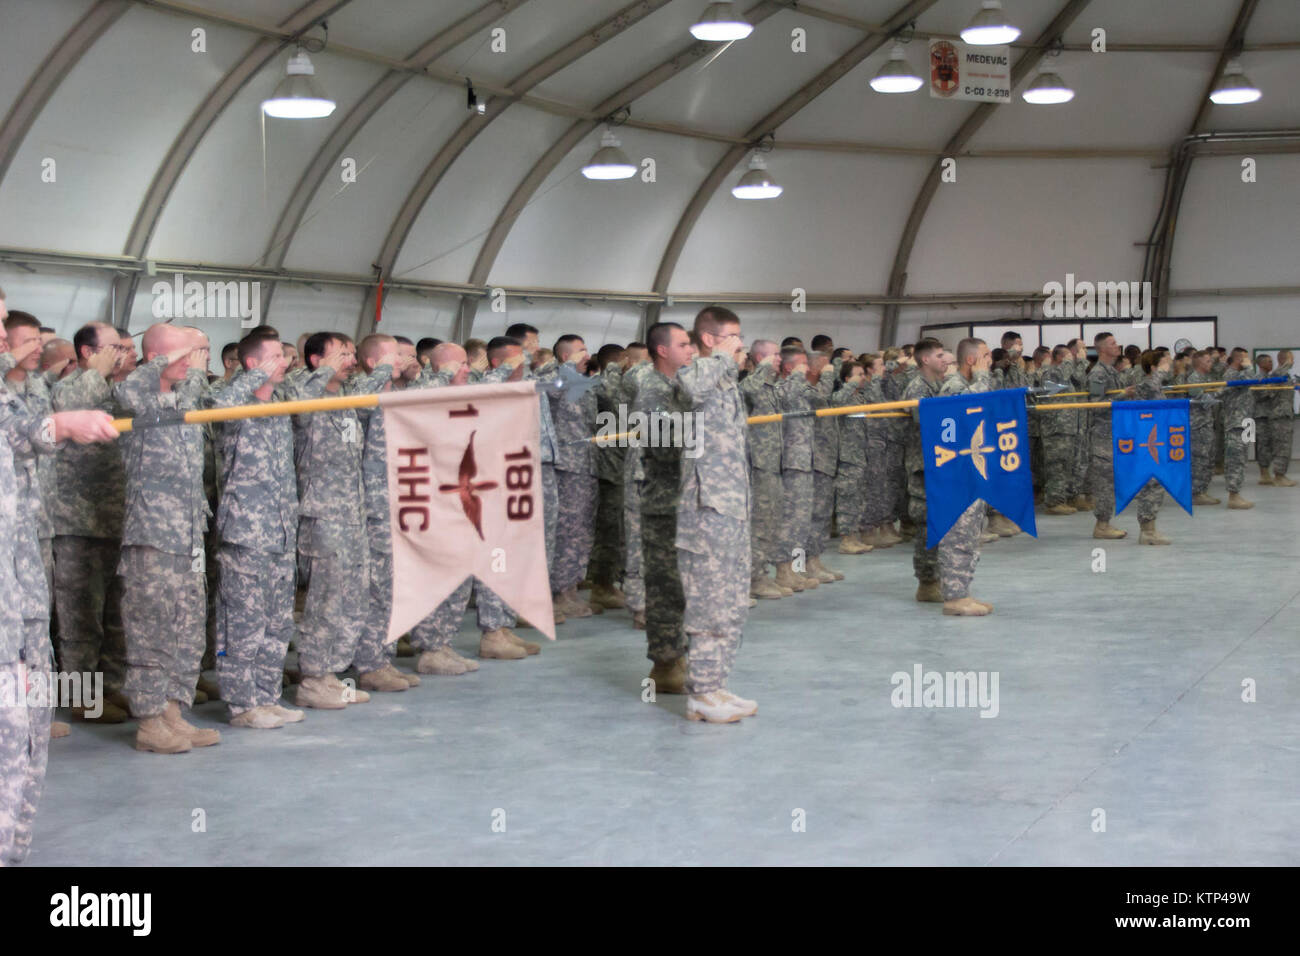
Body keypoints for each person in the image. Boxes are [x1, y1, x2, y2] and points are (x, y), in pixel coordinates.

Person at [0, 392, 118, 864]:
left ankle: (13, 848)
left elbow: (15, 429)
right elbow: (20, 431)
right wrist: (62, 425)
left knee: (27, 738)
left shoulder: (9, 396)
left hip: (20, 600)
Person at [115, 325, 218, 753]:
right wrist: (163, 358)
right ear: (156, 355)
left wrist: (189, 355)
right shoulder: (136, 395)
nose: (192, 362)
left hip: (190, 534)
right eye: (182, 354)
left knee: (187, 629)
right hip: (153, 536)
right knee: (150, 629)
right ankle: (149, 720)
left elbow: (207, 386)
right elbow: (131, 386)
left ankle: (173, 711)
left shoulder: (184, 396)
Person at [210, 333, 308, 728]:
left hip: (281, 532)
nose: (285, 362)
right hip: (246, 533)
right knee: (242, 622)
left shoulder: (279, 405)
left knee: (277, 622)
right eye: (275, 356)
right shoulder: (235, 403)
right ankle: (242, 704)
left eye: (284, 356)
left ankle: (267, 696)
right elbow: (219, 406)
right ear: (252, 364)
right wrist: (252, 378)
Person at [49, 324, 134, 724]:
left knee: (116, 615)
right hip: (77, 522)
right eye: (115, 348)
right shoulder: (70, 387)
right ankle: (81, 697)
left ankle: (111, 686)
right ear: (87, 352)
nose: (123, 355)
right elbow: (71, 409)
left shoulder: (120, 391)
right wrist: (97, 373)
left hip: (117, 519)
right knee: (80, 616)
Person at [676, 308, 756, 722]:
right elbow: (691, 389)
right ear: (710, 339)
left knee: (732, 600)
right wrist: (723, 356)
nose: (740, 343)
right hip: (705, 509)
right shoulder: (693, 372)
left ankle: (718, 684)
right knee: (708, 601)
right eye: (732, 336)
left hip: (732, 508)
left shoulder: (726, 382)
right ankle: (701, 693)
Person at [292, 332, 373, 709]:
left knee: (350, 598)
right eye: (342, 354)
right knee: (324, 600)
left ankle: (330, 673)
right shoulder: (305, 396)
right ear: (315, 361)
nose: (351, 360)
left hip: (352, 514)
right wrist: (322, 371)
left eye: (353, 353)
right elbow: (301, 398)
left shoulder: (346, 400)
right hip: (322, 516)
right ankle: (312, 678)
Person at [904, 338, 992, 616]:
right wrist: (982, 378)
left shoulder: (958, 384)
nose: (989, 361)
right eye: (985, 356)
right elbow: (953, 419)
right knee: (952, 532)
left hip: (958, 467)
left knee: (958, 532)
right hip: (941, 468)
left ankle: (952, 589)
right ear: (972, 360)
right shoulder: (953, 387)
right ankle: (950, 593)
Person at [635, 322, 693, 691]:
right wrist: (702, 429)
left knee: (686, 585)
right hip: (664, 503)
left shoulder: (681, 387)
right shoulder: (652, 389)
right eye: (683, 345)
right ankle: (665, 663)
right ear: (662, 350)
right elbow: (663, 445)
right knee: (666, 586)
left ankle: (682, 655)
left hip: (687, 500)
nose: (691, 350)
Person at [739, 340, 786, 598]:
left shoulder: (772, 387)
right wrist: (762, 369)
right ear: (760, 357)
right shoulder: (751, 383)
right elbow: (747, 392)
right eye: (774, 354)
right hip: (757, 465)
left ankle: (761, 573)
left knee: (770, 522)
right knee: (758, 523)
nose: (779, 358)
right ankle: (752, 578)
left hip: (773, 464)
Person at [1086, 332, 1135, 539]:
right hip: (1103, 435)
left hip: (1115, 432)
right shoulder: (1098, 374)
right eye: (1113, 344)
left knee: (1112, 480)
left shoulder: (1112, 372)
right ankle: (1102, 525)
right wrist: (1124, 394)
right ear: (1102, 349)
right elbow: (1097, 405)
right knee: (1104, 482)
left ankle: (1105, 522)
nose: (1117, 346)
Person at [833, 360, 873, 555]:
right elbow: (837, 401)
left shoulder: (860, 398)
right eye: (858, 375)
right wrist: (850, 385)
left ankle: (854, 536)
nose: (862, 378)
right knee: (847, 497)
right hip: (848, 456)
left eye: (863, 374)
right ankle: (846, 539)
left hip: (861, 455)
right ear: (847, 379)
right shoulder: (842, 396)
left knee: (858, 497)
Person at [1131, 351, 1171, 544]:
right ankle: (1147, 531)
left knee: (1156, 484)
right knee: (1151, 484)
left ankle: (1150, 529)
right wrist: (1161, 371)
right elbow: (1153, 387)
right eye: (1163, 364)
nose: (1168, 367)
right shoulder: (1147, 384)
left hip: (1156, 440)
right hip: (1148, 442)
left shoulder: (1155, 384)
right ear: (1153, 367)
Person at [1221, 347, 1256, 510]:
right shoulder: (1232, 374)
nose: (1248, 361)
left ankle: (1236, 493)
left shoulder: (1241, 374)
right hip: (1236, 424)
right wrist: (1249, 367)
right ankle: (1233, 496)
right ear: (1238, 359)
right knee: (1235, 459)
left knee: (1242, 459)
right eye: (1245, 358)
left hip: (1246, 422)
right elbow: (1250, 378)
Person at [1255, 353, 1296, 487]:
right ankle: (1273, 475)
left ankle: (1275, 475)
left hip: (1277, 414)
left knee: (1277, 446)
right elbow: (1263, 393)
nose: (1271, 364)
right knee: (1273, 446)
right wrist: (1287, 364)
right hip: (1269, 415)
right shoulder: (1273, 375)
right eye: (1268, 362)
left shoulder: (1277, 376)